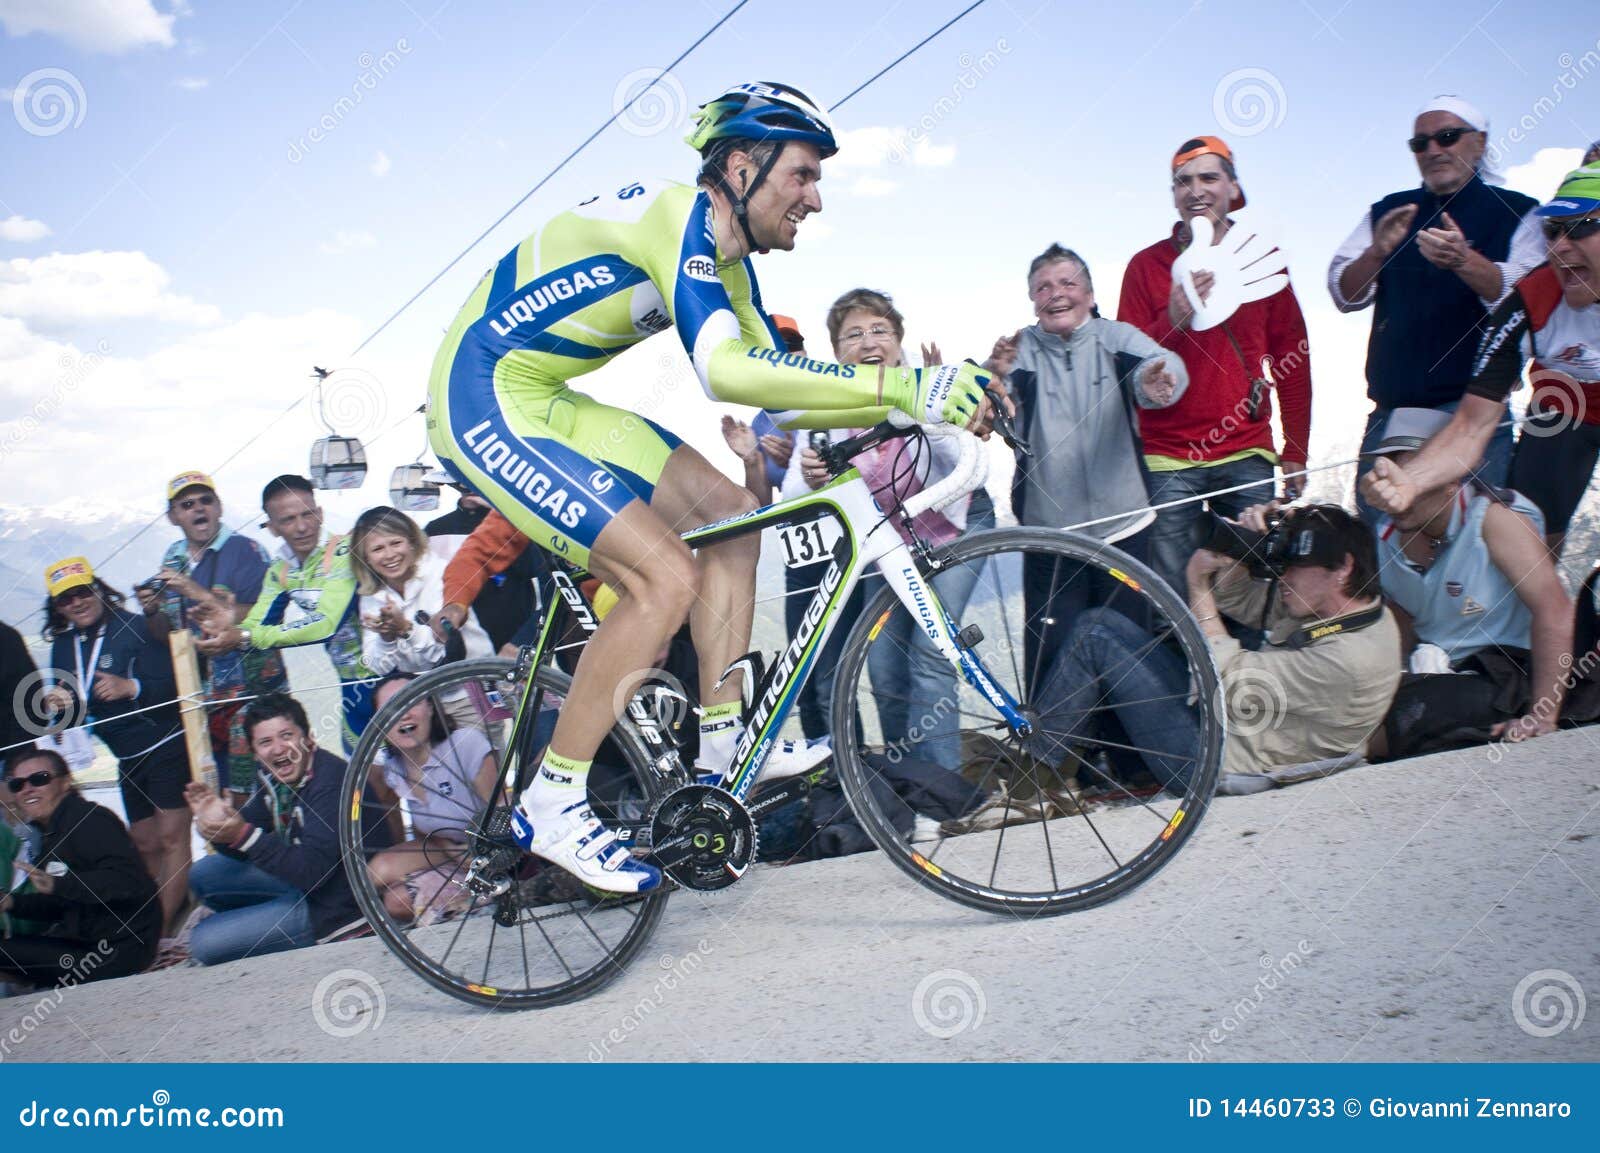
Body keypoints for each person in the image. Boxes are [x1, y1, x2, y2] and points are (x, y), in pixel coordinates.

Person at [425, 80, 993, 892]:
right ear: (740, 166)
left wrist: (907, 392)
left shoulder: (730, 267)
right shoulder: (681, 220)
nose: (815, 199)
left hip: (548, 398)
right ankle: (550, 803)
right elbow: (723, 368)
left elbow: (781, 390)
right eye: (802, 175)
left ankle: (725, 738)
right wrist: (906, 391)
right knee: (665, 575)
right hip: (481, 395)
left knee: (733, 511)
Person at [1027, 505, 1400, 792]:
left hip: (1214, 761)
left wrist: (1197, 587)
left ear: (1343, 569)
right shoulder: (1351, 610)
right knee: (1101, 625)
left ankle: (1030, 780)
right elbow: (1242, 602)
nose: (1284, 576)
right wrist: (1243, 551)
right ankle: (1047, 768)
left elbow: (1230, 683)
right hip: (1228, 726)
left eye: (1295, 567)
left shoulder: (1351, 659)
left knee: (1096, 636)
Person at [784, 287, 996, 770]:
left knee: (931, 652)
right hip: (892, 544)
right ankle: (915, 781)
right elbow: (794, 493)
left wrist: (937, 417)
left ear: (899, 342)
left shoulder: (924, 386)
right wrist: (817, 481)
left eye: (880, 330)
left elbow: (964, 468)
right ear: (836, 354)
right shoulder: (827, 408)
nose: (867, 341)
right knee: (883, 670)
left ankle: (946, 793)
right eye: (852, 335)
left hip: (957, 525)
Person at [1363, 165, 1600, 556]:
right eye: (1552, 231)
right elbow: (1471, 427)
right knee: (1532, 543)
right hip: (1566, 409)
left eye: (1579, 227)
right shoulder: (1530, 298)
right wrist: (1413, 481)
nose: (1559, 246)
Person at [1117, 135, 1313, 598]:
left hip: (1247, 451)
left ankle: (1248, 674)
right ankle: (1180, 671)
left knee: (1255, 587)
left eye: (1209, 177)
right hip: (1167, 457)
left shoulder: (1263, 263)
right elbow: (1125, 362)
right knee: (1171, 595)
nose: (1195, 190)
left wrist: (1297, 448)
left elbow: (1294, 358)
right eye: (1182, 181)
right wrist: (1173, 321)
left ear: (1232, 187)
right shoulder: (1146, 267)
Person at [1329, 97, 1541, 512]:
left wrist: (1465, 262)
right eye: (1420, 144)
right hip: (1392, 412)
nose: (1433, 151)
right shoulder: (1388, 211)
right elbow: (1344, 293)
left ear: (1479, 143)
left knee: (1474, 541)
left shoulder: (1519, 212)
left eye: (1447, 137)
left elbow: (1528, 296)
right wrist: (1377, 252)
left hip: (1477, 414)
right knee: (1380, 537)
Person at [986, 243, 1186, 681]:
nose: (1055, 293)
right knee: (1053, 662)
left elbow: (1164, 367)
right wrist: (992, 377)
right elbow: (990, 416)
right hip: (1051, 541)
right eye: (1042, 287)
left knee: (1131, 657)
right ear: (1032, 300)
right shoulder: (1019, 351)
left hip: (1127, 531)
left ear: (1091, 295)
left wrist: (1158, 381)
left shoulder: (1116, 338)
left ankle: (1125, 752)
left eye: (1067, 283)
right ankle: (1053, 750)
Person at [1367, 409, 1576, 756]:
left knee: (1417, 712)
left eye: (1411, 477)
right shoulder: (1387, 536)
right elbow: (1403, 619)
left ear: (1450, 478)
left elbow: (1555, 610)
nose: (1394, 492)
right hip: (1436, 673)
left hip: (1507, 674)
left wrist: (1542, 715)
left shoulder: (1496, 519)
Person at [183, 694, 393, 965]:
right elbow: (248, 836)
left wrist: (240, 834)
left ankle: (268, 927)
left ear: (308, 739)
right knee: (204, 873)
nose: (278, 749)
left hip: (338, 904)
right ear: (255, 753)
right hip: (301, 881)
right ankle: (263, 922)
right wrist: (216, 825)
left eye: (286, 736)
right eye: (265, 742)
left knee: (204, 943)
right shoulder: (274, 777)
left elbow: (312, 871)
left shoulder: (330, 782)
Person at [39, 557, 191, 932]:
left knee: (172, 838)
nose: (77, 602)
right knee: (144, 844)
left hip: (165, 742)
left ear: (99, 590)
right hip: (126, 756)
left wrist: (131, 687)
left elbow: (176, 688)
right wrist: (60, 709)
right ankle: (161, 920)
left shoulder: (135, 626)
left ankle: (156, 934)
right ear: (57, 608)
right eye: (66, 599)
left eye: (83, 592)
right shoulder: (63, 646)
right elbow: (75, 715)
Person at [136, 470, 287, 800]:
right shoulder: (172, 557)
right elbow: (168, 634)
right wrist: (152, 610)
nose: (198, 509)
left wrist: (193, 589)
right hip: (205, 704)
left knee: (264, 795)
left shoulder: (246, 550)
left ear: (219, 507)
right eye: (187, 504)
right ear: (173, 516)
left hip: (255, 699)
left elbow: (266, 615)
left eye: (206, 500)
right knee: (220, 799)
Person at [200, 475, 375, 755]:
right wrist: (227, 628)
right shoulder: (280, 570)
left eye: (308, 515)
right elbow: (256, 624)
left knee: (414, 766)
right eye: (288, 520)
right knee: (365, 778)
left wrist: (244, 635)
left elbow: (326, 625)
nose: (302, 527)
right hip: (350, 684)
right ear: (272, 528)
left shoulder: (345, 551)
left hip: (389, 673)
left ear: (320, 514)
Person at [0, 749, 162, 986]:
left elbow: (129, 882)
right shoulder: (52, 831)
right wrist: (12, 903)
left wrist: (59, 884)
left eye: (39, 779)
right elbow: (63, 903)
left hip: (115, 952)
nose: (28, 789)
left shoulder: (89, 820)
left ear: (65, 782)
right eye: (17, 784)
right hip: (87, 944)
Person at [361, 675, 499, 922]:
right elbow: (423, 831)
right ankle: (464, 905)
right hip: (449, 852)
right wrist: (449, 850)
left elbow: (504, 815)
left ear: (431, 708)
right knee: (377, 875)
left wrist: (482, 858)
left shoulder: (466, 744)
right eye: (390, 709)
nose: (403, 715)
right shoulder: (393, 770)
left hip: (495, 856)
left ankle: (485, 900)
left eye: (410, 703)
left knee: (398, 900)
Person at [351, 506, 493, 675]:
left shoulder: (442, 574)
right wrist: (386, 638)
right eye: (377, 549)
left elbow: (446, 655)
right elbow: (378, 667)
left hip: (473, 682)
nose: (389, 555)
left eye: (396, 543)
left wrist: (405, 629)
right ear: (365, 557)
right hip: (424, 693)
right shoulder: (371, 595)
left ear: (412, 542)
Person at [424, 475, 547, 651]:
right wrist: (454, 604)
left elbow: (533, 569)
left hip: (516, 616)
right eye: (462, 481)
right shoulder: (435, 528)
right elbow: (474, 556)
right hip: (467, 631)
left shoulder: (518, 509)